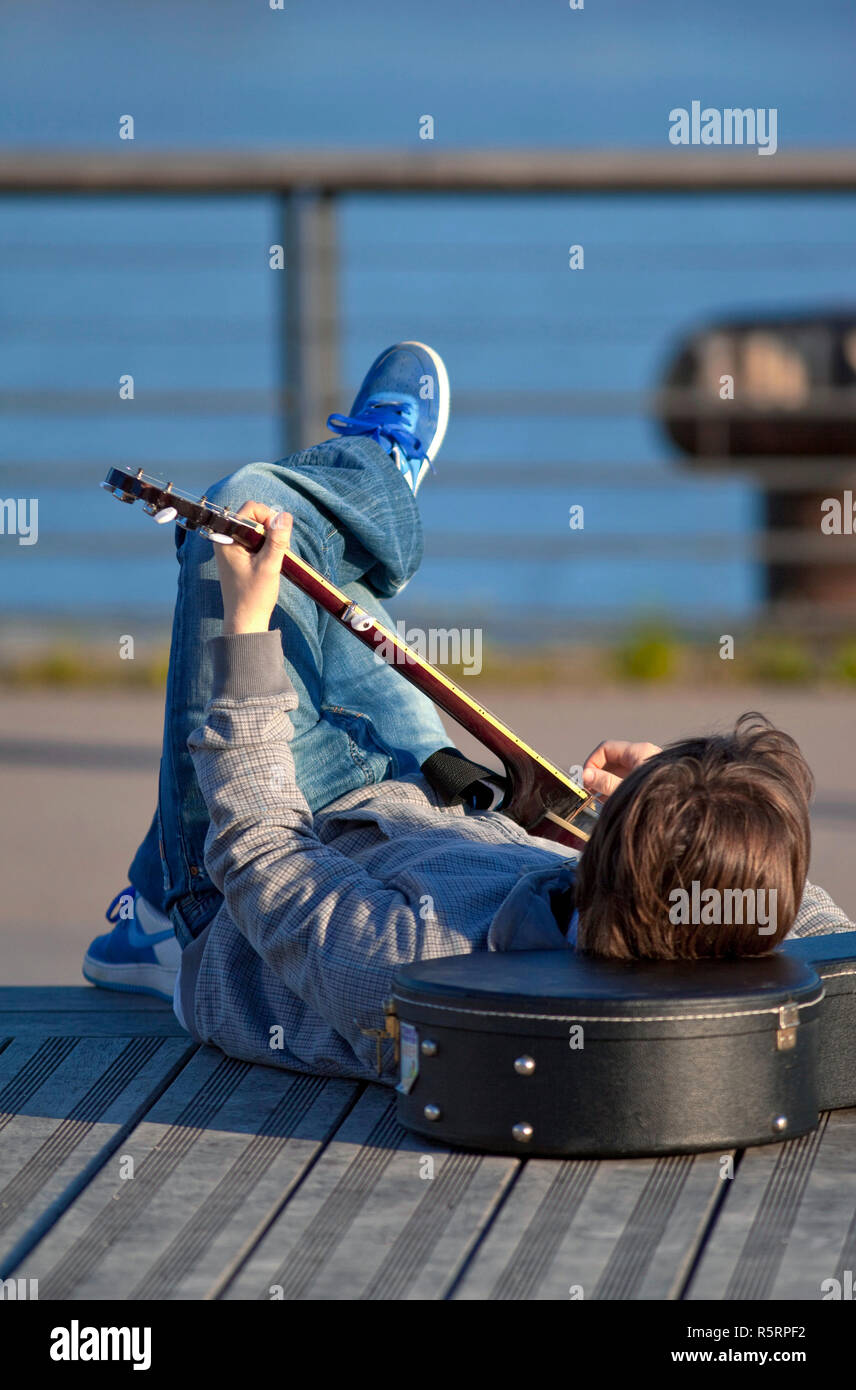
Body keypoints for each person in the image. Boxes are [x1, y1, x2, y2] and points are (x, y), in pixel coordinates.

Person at [83, 342, 854, 1085]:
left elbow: (261, 854)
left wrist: (246, 640)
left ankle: (375, 480)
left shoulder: (423, 968)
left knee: (247, 514)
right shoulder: (686, 930)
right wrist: (677, 811)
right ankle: (369, 500)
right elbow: (817, 925)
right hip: (426, 801)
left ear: (612, 880)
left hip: (254, 864)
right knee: (307, 559)